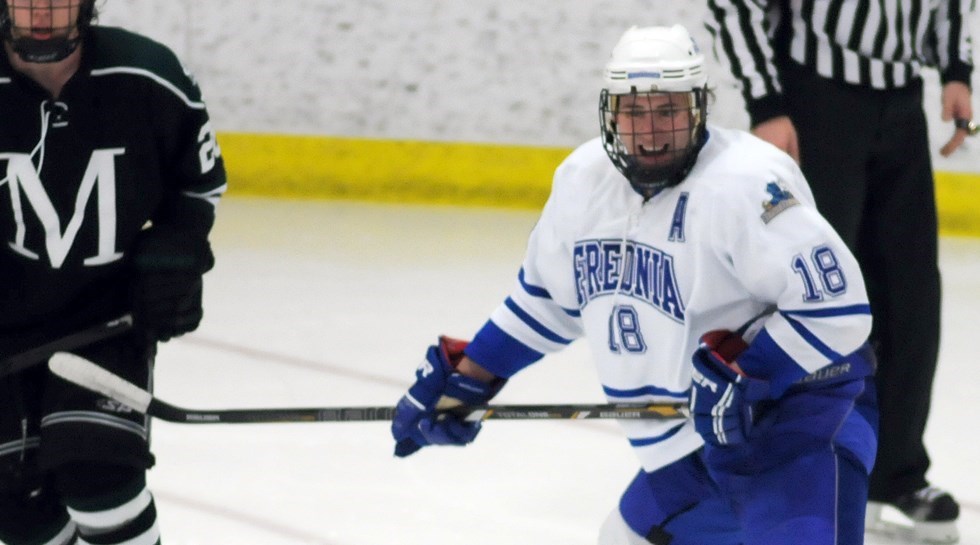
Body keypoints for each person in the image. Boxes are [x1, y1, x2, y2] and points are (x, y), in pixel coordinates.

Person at [390, 24, 879, 545]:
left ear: (698, 107)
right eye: (634, 112)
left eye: (668, 111)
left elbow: (837, 311)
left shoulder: (748, 181)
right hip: (688, 447)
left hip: (796, 429)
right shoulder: (583, 181)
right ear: (611, 112)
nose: (649, 133)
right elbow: (547, 302)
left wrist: (753, 374)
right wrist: (469, 378)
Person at [705, 1, 974, 542]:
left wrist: (954, 68)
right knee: (806, 295)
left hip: (901, 104)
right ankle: (770, 466)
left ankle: (894, 474)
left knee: (910, 297)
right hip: (813, 98)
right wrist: (766, 100)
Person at [0, 1, 226, 544]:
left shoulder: (148, 75)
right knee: (15, 509)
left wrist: (175, 256)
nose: (42, 18)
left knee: (101, 486)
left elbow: (197, 186)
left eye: (56, 3)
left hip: (104, 320)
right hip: (5, 322)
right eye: (26, 3)